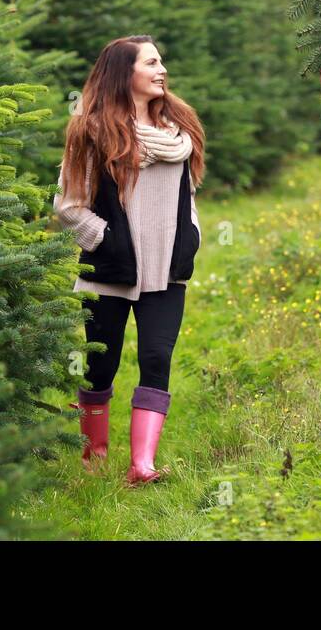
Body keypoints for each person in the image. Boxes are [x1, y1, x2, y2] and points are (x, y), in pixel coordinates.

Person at [53, 35, 204, 484]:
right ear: (125, 73)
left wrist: (190, 236)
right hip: (111, 272)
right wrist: (106, 240)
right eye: (151, 62)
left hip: (167, 271)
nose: (162, 70)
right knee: (101, 364)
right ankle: (94, 455)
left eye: (162, 61)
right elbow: (68, 205)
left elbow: (187, 196)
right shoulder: (91, 131)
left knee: (158, 359)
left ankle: (142, 465)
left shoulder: (179, 129)